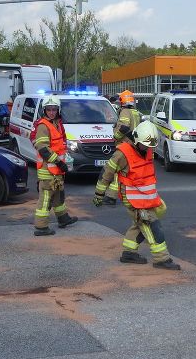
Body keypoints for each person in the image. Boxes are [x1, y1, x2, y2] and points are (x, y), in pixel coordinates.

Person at [93, 120, 181, 271]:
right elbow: (107, 173)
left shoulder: (147, 147)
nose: (148, 149)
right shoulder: (122, 153)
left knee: (139, 225)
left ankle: (129, 253)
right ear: (137, 140)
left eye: (151, 147)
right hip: (133, 199)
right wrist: (99, 194)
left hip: (146, 197)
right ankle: (162, 259)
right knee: (152, 226)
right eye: (145, 146)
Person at [33, 95, 78, 236]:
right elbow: (43, 148)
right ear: (44, 110)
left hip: (57, 170)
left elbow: (59, 144)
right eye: (49, 109)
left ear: (58, 110)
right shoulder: (43, 125)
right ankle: (41, 227)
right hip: (48, 170)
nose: (52, 112)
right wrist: (58, 162)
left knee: (58, 194)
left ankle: (63, 218)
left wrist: (64, 158)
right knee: (46, 198)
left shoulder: (57, 124)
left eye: (54, 109)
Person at [103, 90, 142, 205]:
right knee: (124, 172)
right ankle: (123, 195)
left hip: (124, 145)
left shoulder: (125, 112)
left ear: (122, 101)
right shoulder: (135, 112)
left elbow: (123, 128)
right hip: (132, 146)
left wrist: (115, 137)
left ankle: (111, 197)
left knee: (116, 171)